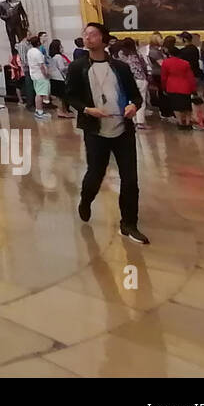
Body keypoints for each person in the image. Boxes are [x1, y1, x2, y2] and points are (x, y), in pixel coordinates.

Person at [66, 22, 149, 245]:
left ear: (104, 39)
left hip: (122, 128)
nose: (88, 37)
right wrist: (86, 109)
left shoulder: (120, 67)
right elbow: (70, 96)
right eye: (85, 34)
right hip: (95, 130)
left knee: (130, 178)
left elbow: (136, 96)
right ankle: (86, 199)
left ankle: (129, 223)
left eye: (93, 34)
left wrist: (134, 106)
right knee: (95, 172)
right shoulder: (78, 67)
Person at [159, 36, 196, 131]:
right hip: (185, 87)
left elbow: (164, 77)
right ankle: (188, 123)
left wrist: (164, 88)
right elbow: (190, 77)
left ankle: (180, 122)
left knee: (176, 106)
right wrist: (193, 88)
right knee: (187, 106)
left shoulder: (166, 63)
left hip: (172, 86)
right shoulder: (185, 63)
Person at [116, 38, 150, 129]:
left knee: (130, 101)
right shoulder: (137, 54)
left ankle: (132, 119)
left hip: (128, 79)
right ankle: (140, 122)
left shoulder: (121, 54)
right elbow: (144, 66)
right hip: (140, 78)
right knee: (141, 100)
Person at [26, 35, 50, 119]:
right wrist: (46, 74)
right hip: (40, 75)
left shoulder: (30, 51)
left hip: (33, 74)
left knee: (38, 93)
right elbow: (41, 66)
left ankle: (38, 110)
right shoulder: (37, 53)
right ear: (38, 42)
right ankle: (40, 112)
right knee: (40, 93)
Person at [48, 39, 72, 118]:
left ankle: (62, 111)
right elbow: (62, 68)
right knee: (63, 97)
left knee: (59, 97)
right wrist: (69, 66)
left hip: (54, 78)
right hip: (60, 78)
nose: (62, 48)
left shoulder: (53, 57)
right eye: (61, 46)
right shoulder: (58, 56)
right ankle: (62, 111)